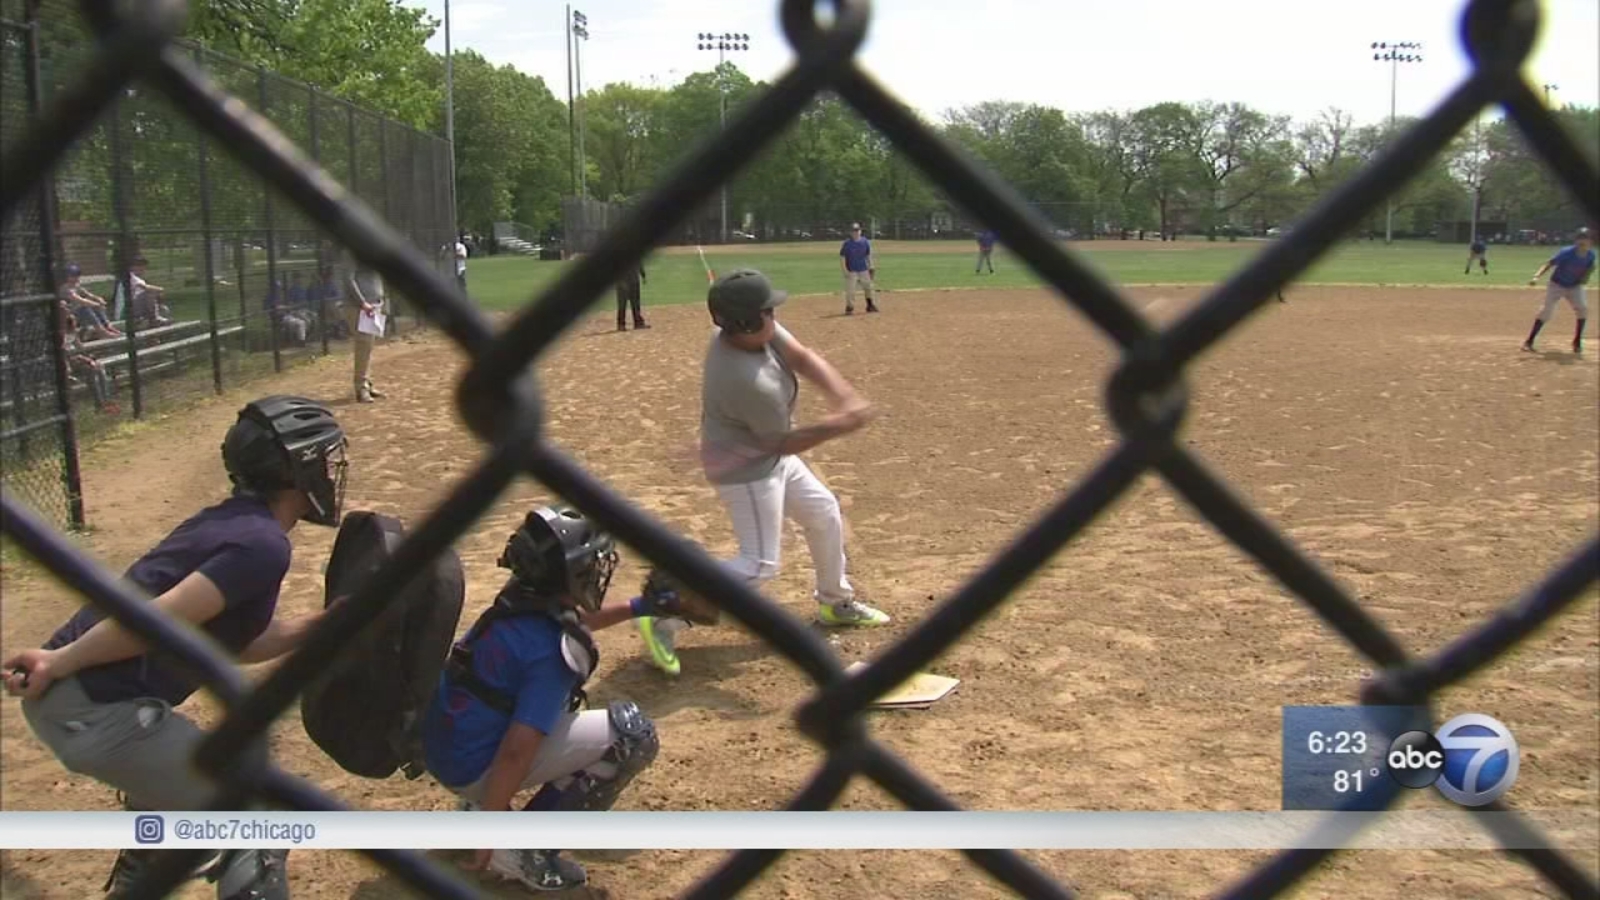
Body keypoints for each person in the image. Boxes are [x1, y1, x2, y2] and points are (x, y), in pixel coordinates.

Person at [2, 395, 349, 899]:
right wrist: (58, 661)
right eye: (322, 457)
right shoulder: (262, 545)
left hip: (86, 695)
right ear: (295, 468)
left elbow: (229, 642)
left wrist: (321, 625)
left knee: (177, 780)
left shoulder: (234, 522)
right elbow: (152, 623)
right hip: (97, 706)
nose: (330, 470)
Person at [635, 269, 890, 678]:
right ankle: (666, 609)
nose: (774, 317)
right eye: (767, 311)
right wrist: (841, 424)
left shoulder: (756, 332)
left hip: (767, 456)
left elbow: (803, 358)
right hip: (748, 471)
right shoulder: (747, 380)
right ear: (745, 322)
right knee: (760, 565)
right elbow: (782, 442)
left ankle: (834, 601)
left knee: (823, 511)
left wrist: (843, 395)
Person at [422, 505, 666, 893]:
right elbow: (518, 749)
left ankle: (479, 811)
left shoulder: (520, 598)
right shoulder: (552, 651)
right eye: (592, 564)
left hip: (445, 745)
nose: (599, 571)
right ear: (572, 573)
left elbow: (574, 620)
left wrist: (640, 608)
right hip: (475, 767)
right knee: (631, 735)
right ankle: (522, 849)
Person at [1522, 228, 1594, 355]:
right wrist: (1536, 276)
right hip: (1557, 285)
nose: (1582, 241)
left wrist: (1585, 276)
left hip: (1574, 286)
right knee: (1546, 311)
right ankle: (1529, 341)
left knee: (1582, 309)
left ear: (1590, 241)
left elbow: (1589, 268)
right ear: (1576, 240)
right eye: (1580, 238)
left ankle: (1577, 341)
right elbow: (1549, 264)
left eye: (1585, 238)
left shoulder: (1591, 255)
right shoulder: (1566, 252)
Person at [344, 259, 386, 402]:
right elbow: (348, 279)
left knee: (368, 346)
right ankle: (361, 387)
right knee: (363, 344)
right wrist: (362, 302)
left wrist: (381, 298)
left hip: (374, 304)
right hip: (359, 307)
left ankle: (366, 383)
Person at [59, 263, 121, 340]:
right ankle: (101, 331)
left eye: (77, 275)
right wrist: (96, 304)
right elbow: (80, 300)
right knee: (85, 308)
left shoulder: (76, 285)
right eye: (73, 276)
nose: (76, 278)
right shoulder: (65, 289)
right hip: (70, 314)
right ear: (67, 277)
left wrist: (98, 299)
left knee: (94, 307)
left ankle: (107, 326)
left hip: (79, 312)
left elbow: (88, 294)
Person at [839, 222, 878, 315]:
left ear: (860, 231)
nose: (855, 233)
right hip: (851, 270)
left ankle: (870, 305)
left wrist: (871, 266)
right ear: (850, 232)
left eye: (857, 230)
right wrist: (845, 270)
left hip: (863, 269)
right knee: (851, 290)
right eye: (853, 231)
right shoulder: (847, 244)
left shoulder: (865, 242)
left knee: (868, 287)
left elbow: (868, 255)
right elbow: (842, 257)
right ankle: (849, 307)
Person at [126, 258, 172, 329]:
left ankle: (154, 318)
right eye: (138, 266)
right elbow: (145, 287)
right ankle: (155, 318)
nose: (141, 268)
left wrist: (160, 301)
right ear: (132, 267)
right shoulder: (130, 277)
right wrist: (161, 289)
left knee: (152, 293)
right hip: (130, 307)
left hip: (138, 306)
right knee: (149, 292)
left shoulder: (139, 279)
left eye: (143, 266)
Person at [615, 264, 649, 332]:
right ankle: (621, 324)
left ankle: (638, 322)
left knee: (635, 302)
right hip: (623, 280)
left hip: (632, 279)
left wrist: (643, 275)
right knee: (623, 303)